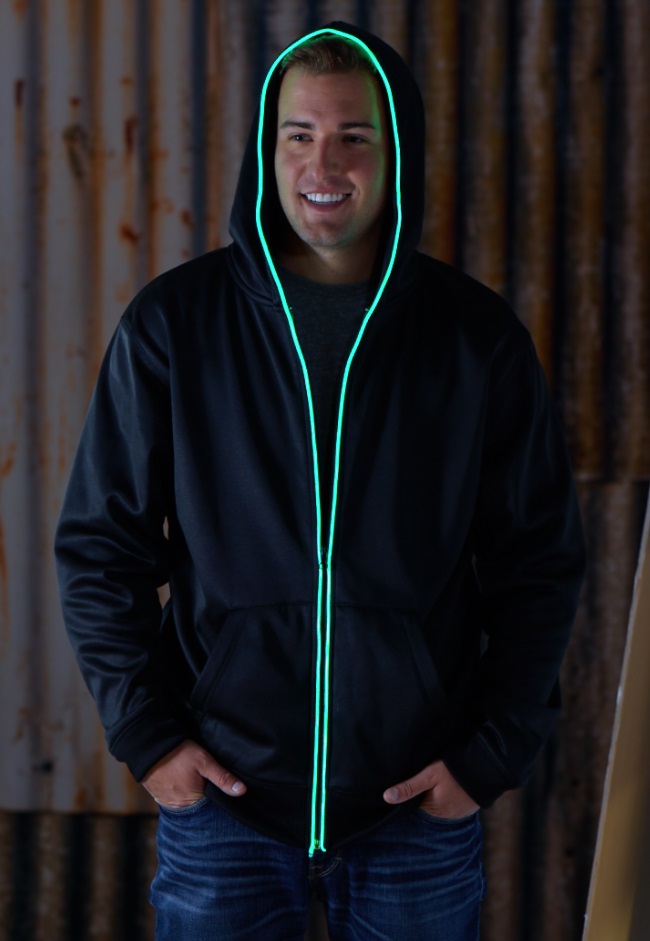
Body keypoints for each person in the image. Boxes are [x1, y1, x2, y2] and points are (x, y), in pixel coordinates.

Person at [55, 21, 585, 941]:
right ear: (267, 151)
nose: (322, 163)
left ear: (395, 153)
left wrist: (485, 760)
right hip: (223, 804)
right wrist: (151, 738)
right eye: (297, 134)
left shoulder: (475, 339)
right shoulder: (175, 327)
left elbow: (538, 563)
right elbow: (100, 547)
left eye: (353, 137)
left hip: (414, 811)